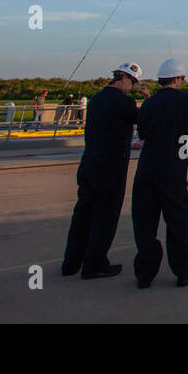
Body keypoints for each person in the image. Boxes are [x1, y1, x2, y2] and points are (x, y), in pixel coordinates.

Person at [62, 63, 142, 280]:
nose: (132, 88)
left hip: (88, 163)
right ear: (126, 79)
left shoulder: (96, 99)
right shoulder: (124, 102)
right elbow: (143, 121)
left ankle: (71, 262)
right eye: (133, 84)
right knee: (105, 216)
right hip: (111, 167)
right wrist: (149, 97)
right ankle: (95, 264)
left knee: (83, 213)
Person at [132, 59, 188, 289]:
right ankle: (185, 270)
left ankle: (144, 274)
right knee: (177, 220)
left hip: (146, 168)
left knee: (145, 222)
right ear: (178, 78)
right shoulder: (186, 100)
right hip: (173, 168)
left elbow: (142, 132)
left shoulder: (150, 103)